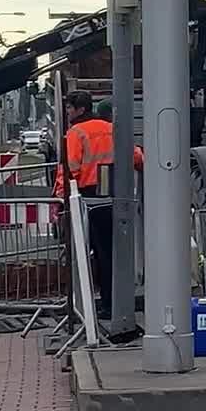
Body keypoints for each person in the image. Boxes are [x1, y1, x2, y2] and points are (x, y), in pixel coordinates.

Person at [58, 90, 142, 320]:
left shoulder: (76, 132)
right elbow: (136, 157)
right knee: (113, 253)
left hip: (88, 198)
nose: (67, 112)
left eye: (69, 108)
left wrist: (59, 198)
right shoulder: (109, 128)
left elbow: (70, 168)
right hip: (116, 196)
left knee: (93, 254)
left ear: (80, 109)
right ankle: (115, 303)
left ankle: (99, 306)